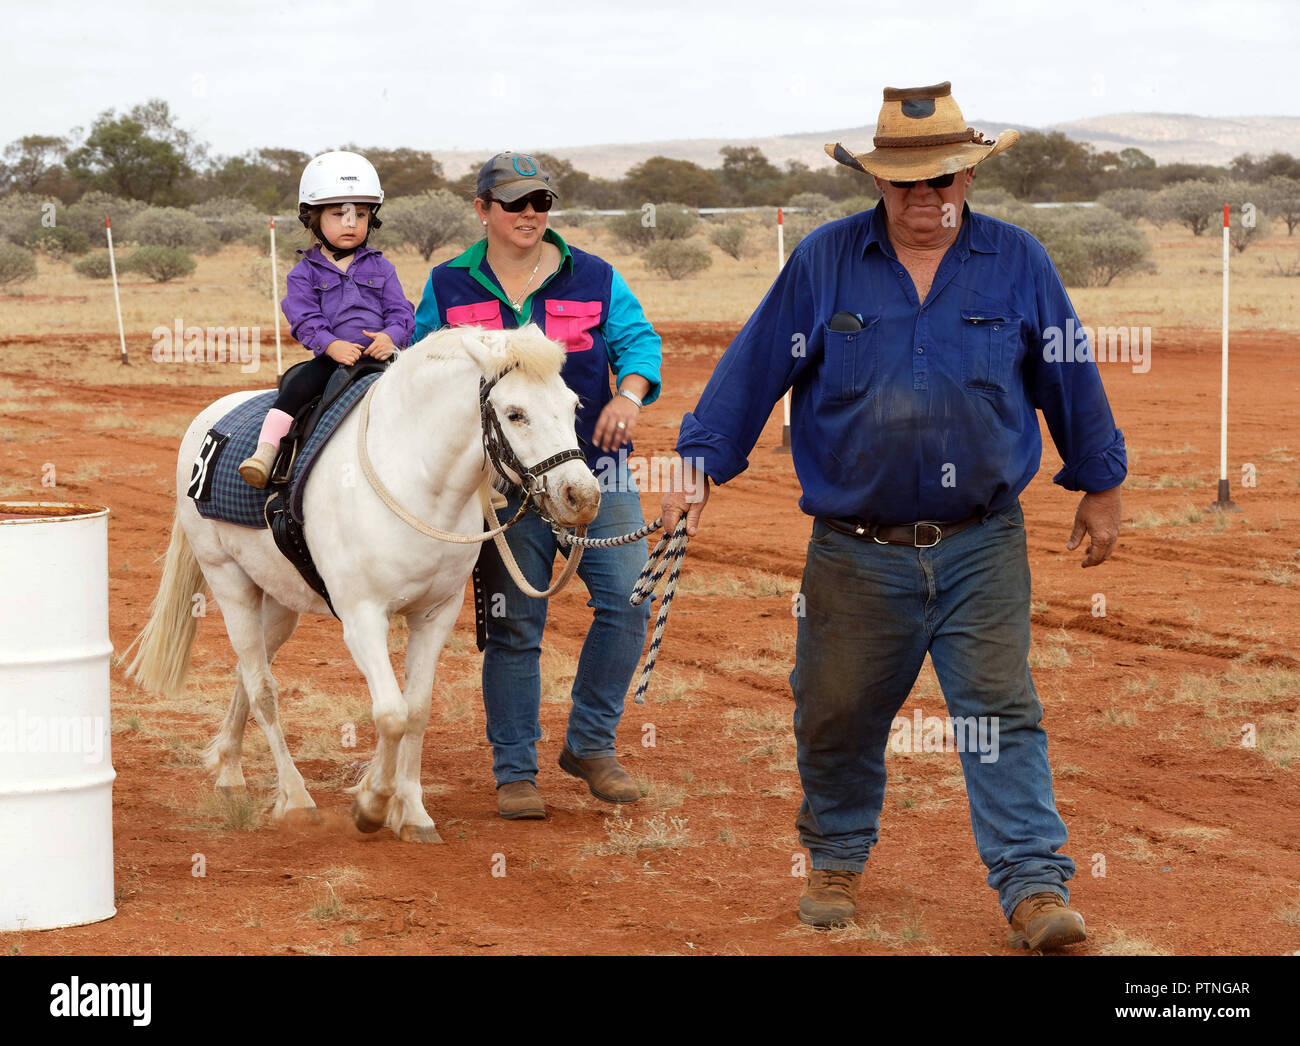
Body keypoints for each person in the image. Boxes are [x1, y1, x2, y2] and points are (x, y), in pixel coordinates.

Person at [661, 82, 1126, 950]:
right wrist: (699, 461)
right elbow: (757, 362)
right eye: (906, 182)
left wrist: (1100, 480)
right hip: (855, 549)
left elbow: (1068, 370)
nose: (927, 197)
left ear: (970, 178)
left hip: (982, 543)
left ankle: (1033, 887)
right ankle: (835, 857)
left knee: (999, 709)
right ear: (876, 183)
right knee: (835, 709)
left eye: (944, 179)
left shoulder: (1019, 261)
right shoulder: (824, 262)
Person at [412, 153, 662, 820]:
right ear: (483, 209)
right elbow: (422, 365)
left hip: (595, 468)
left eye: (540, 203)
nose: (530, 215)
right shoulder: (448, 284)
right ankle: (514, 771)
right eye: (515, 203)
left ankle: (590, 744)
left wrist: (629, 398)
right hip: (503, 483)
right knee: (514, 624)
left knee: (628, 598)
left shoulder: (596, 275)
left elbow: (639, 345)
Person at [239, 150, 415, 488]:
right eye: (339, 214)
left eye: (360, 215)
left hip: (384, 357)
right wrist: (331, 345)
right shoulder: (302, 274)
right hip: (332, 361)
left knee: (427, 394)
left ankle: (469, 482)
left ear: (371, 219)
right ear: (314, 218)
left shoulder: (382, 267)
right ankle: (266, 453)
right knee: (295, 388)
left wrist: (391, 337)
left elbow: (401, 311)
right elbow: (303, 318)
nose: (351, 223)